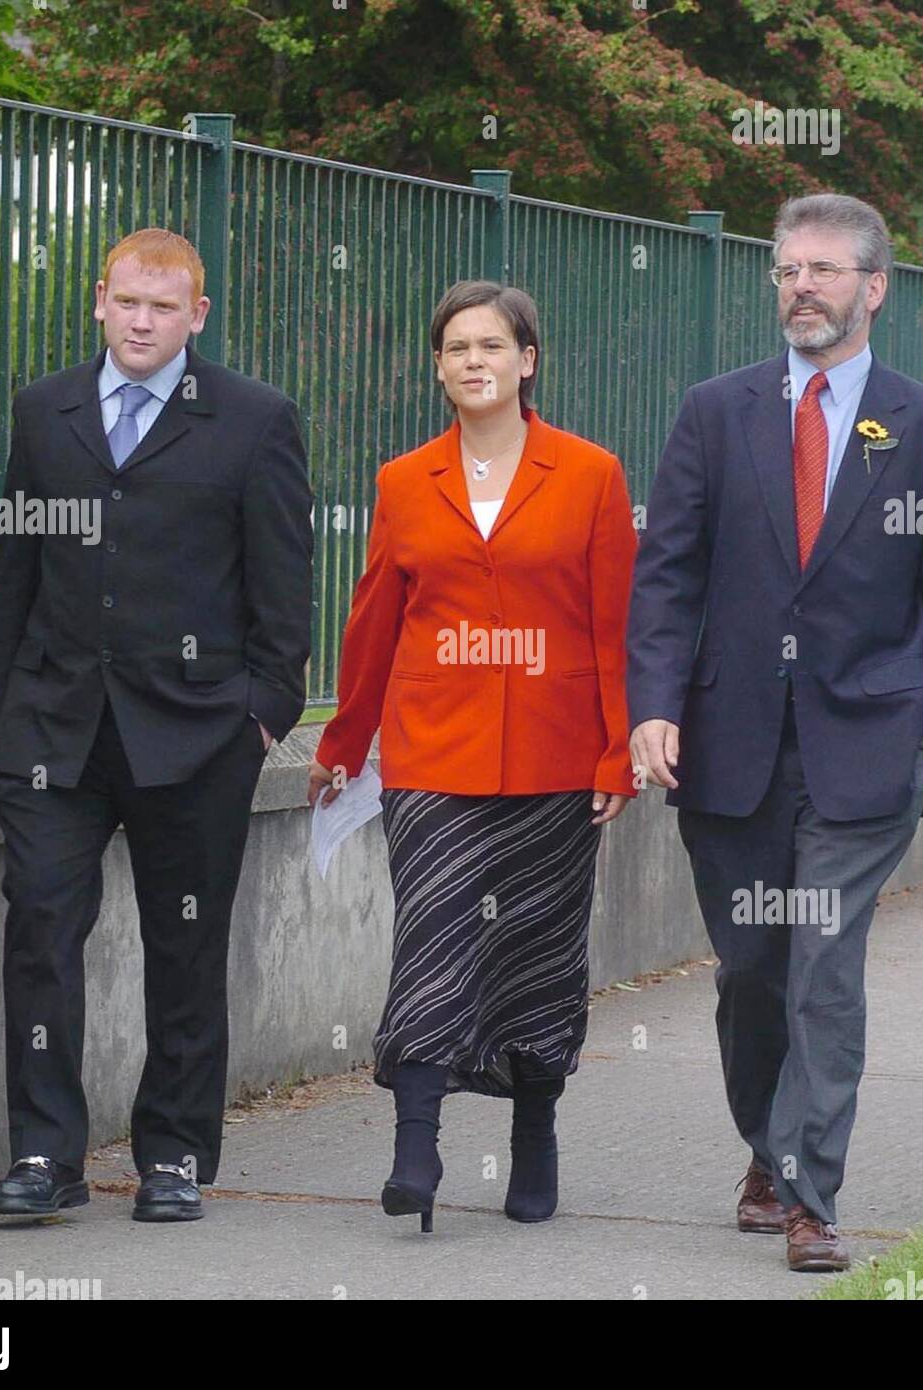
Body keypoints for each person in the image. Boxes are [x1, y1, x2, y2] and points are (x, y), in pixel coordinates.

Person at [626, 194, 923, 1271]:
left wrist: (916, 724)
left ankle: (810, 1196)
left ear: (874, 287)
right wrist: (652, 704)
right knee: (751, 970)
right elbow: (669, 573)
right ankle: (766, 1142)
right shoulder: (713, 413)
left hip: (861, 752)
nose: (802, 288)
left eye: (825, 271)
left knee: (824, 963)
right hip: (728, 747)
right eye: (788, 271)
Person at [0, 228, 313, 1223]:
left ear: (195, 316)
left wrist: (264, 713)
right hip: (54, 730)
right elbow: (16, 562)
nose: (140, 320)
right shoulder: (46, 411)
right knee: (40, 928)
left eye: (162, 307)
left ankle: (171, 1155)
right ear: (98, 300)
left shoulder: (254, 420)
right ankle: (44, 1155)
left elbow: (282, 584)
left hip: (198, 732)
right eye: (127, 301)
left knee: (185, 944)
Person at [308, 280, 637, 1231]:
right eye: (456, 348)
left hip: (555, 759)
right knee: (432, 946)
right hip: (431, 757)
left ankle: (534, 1135)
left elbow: (615, 626)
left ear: (526, 361)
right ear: (439, 367)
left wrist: (617, 752)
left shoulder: (589, 474)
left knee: (537, 955)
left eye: (492, 345)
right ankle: (417, 1150)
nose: (474, 362)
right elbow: (373, 623)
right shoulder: (404, 481)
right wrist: (342, 745)